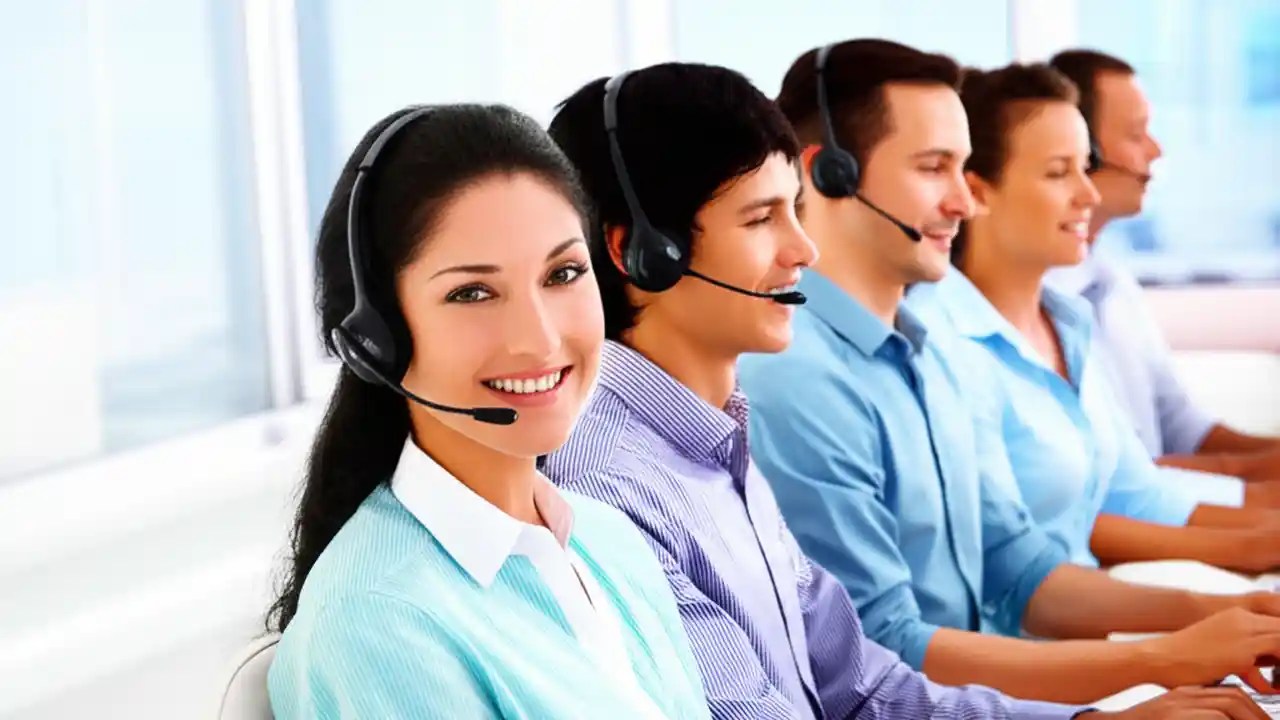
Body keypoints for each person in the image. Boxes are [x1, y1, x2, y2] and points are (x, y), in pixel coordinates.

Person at [540, 60, 1267, 719]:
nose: (804, 249)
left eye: (794, 208)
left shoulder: (718, 440)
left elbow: (867, 687)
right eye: (763, 218)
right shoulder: (608, 489)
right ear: (642, 251)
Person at [741, 41, 1280, 705]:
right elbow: (885, 654)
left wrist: (1221, 623)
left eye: (964, 169)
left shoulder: (933, 349)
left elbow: (1019, 571)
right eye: (934, 168)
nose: (965, 202)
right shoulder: (795, 379)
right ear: (831, 176)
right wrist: (1163, 661)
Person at [264, 104, 709, 719]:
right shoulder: (379, 624)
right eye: (472, 292)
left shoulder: (607, 542)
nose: (541, 339)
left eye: (563, 274)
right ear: (377, 338)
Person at [902, 59, 1280, 579]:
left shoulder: (1069, 321)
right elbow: (1024, 555)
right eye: (1060, 173)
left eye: (1086, 167)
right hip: (1039, 635)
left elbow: (1140, 493)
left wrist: (1263, 536)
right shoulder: (935, 341)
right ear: (978, 192)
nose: (1089, 194)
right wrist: (1247, 554)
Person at [1044, 49, 1280, 488]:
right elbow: (1108, 484)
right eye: (1136, 134)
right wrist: (1254, 478)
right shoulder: (1030, 302)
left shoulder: (1111, 282)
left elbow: (1185, 430)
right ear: (1082, 150)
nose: (1155, 151)